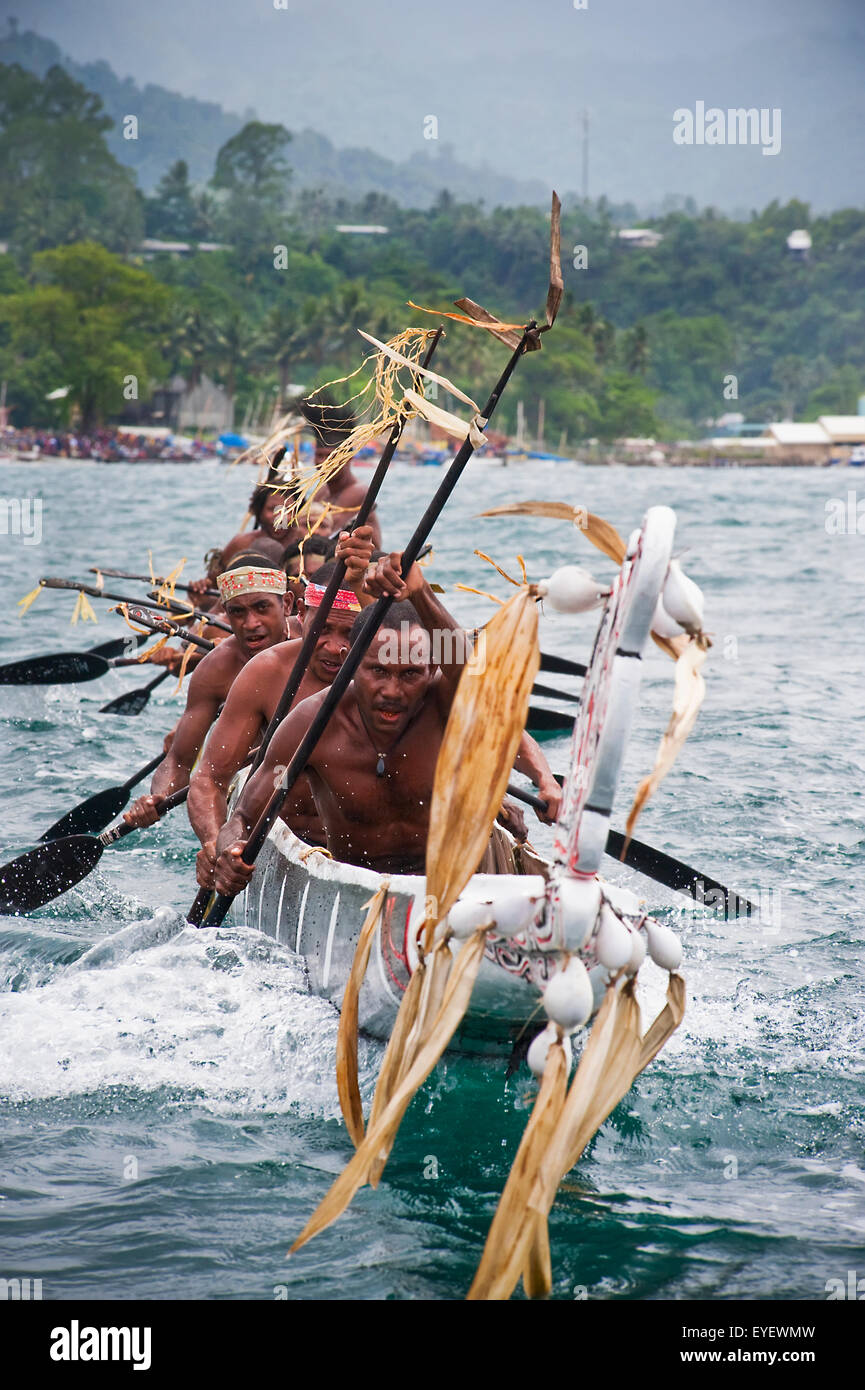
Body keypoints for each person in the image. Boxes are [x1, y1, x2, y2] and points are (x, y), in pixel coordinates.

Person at [212, 551, 562, 891]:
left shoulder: (448, 703)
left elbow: (495, 709)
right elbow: (243, 815)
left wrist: (544, 779)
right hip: (358, 887)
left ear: (432, 669)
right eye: (378, 671)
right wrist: (229, 849)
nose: (392, 691)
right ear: (353, 663)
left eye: (410, 674)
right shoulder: (312, 724)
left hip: (458, 880)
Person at [187, 530, 376, 885]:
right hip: (296, 839)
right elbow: (210, 778)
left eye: (349, 635)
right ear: (301, 613)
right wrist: (216, 847)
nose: (336, 648)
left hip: (374, 851)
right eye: (323, 629)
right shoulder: (265, 672)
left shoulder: (390, 679)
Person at [122, 556, 295, 829]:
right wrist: (158, 797)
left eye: (262, 607)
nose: (250, 623)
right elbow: (179, 761)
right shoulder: (216, 669)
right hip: (261, 782)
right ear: (226, 613)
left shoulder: (317, 645)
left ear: (286, 604)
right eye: (237, 612)